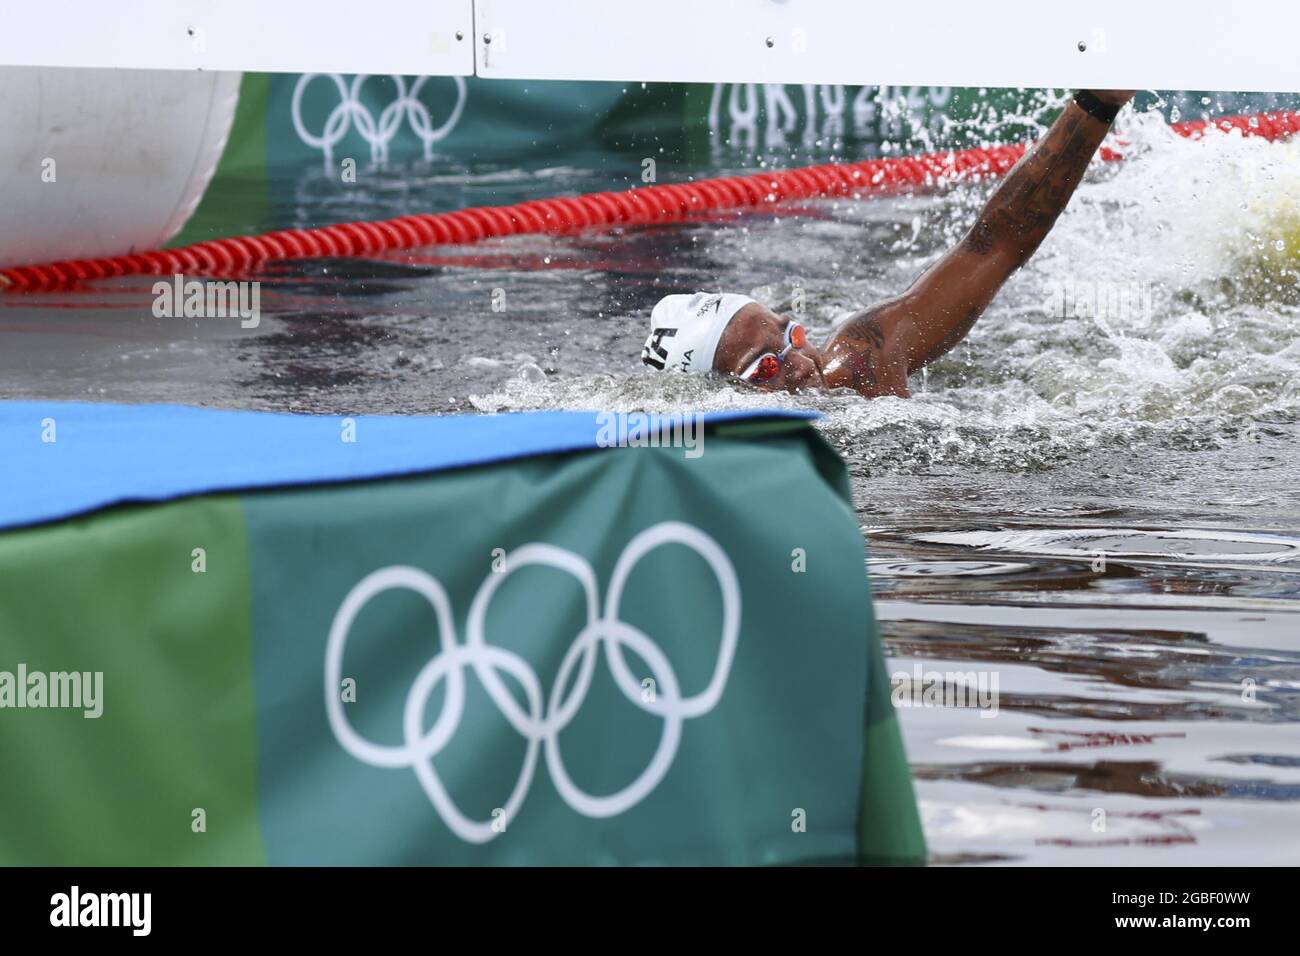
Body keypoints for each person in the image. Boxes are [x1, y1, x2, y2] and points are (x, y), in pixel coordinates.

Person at [640, 89, 1136, 397]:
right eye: (765, 368)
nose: (802, 363)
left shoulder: (860, 365)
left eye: (790, 335)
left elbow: (993, 245)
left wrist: (1097, 103)